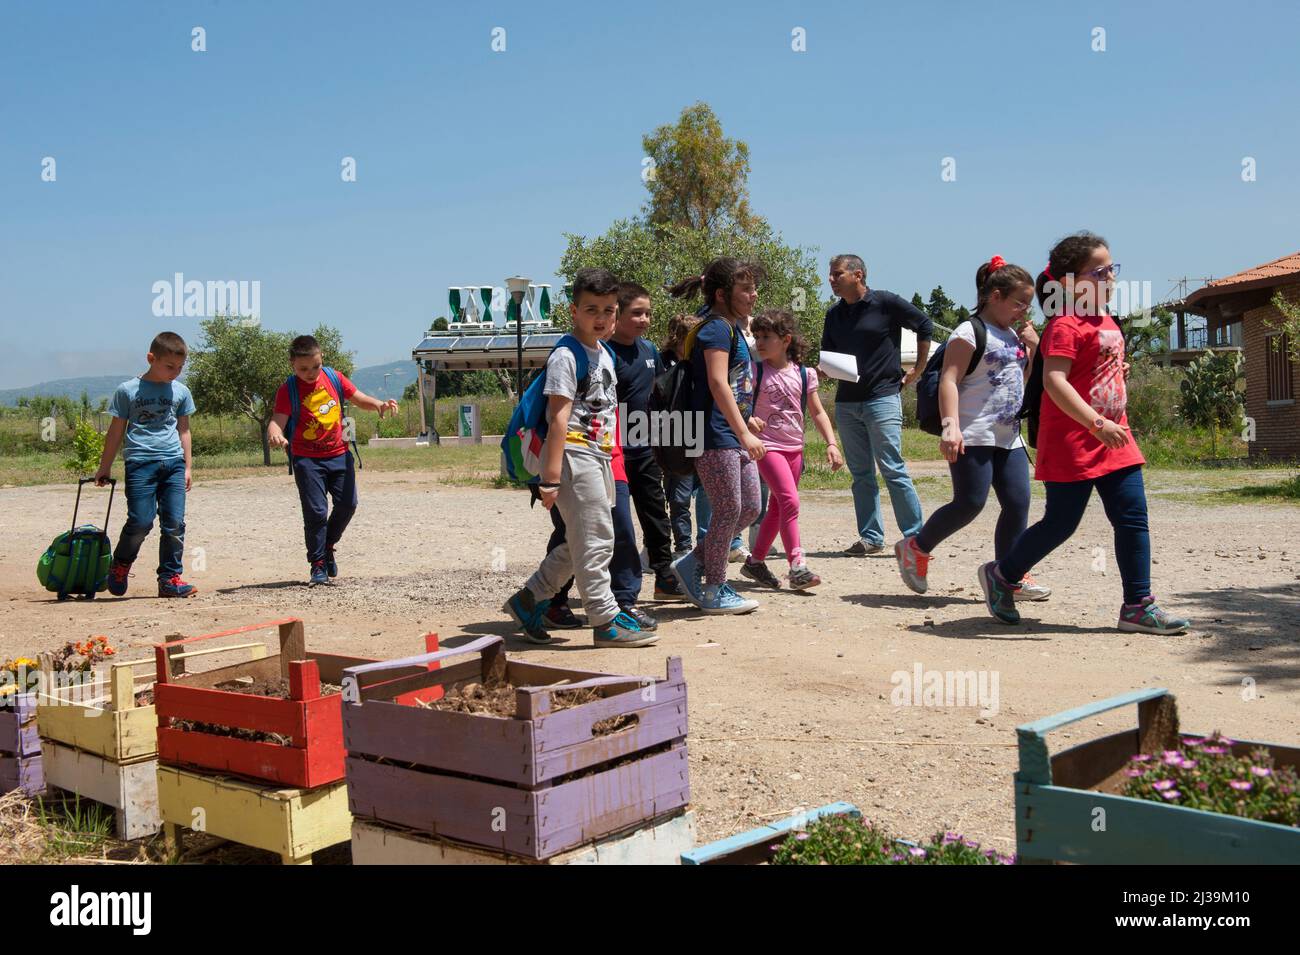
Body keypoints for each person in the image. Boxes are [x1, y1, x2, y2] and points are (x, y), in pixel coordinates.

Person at [977, 232, 1190, 634]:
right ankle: (1003, 575)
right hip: (1074, 437)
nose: (1111, 277)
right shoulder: (1064, 324)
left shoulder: (1107, 318)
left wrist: (1115, 372)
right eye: (1101, 271)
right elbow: (1055, 380)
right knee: (1061, 522)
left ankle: (1137, 605)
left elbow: (1090, 367)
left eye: (1113, 269)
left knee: (1132, 517)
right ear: (1072, 282)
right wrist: (1096, 421)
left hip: (1115, 438)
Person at [503, 267, 658, 647]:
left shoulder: (603, 352)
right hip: (574, 453)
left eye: (608, 310)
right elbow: (558, 416)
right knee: (599, 540)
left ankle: (528, 600)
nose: (601, 318)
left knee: (581, 541)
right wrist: (550, 478)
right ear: (574, 311)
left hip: (600, 455)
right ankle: (605, 621)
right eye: (592, 309)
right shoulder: (566, 355)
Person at [894, 256, 1049, 600]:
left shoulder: (1014, 334)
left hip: (1009, 435)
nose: (1024, 310)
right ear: (995, 296)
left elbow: (1019, 381)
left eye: (1028, 303)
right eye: (1018, 302)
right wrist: (951, 427)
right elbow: (950, 380)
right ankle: (916, 547)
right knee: (970, 503)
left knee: (1018, 503)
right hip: (973, 432)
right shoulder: (969, 332)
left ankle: (1008, 575)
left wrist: (1034, 349)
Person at [667, 258, 765, 614]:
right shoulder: (716, 329)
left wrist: (746, 422)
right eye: (746, 289)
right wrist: (743, 429)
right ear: (723, 294)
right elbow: (717, 382)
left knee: (750, 507)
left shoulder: (731, 327)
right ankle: (714, 590)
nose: (754, 295)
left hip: (733, 432)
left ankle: (693, 563)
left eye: (754, 288)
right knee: (728, 509)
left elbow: (733, 387)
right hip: (712, 435)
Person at [266, 335, 398, 585]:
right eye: (303, 369)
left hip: (339, 455)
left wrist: (379, 404)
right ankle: (317, 564)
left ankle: (327, 544)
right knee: (316, 511)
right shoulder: (288, 389)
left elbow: (358, 397)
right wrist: (275, 435)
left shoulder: (334, 377)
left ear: (321, 358)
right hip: (307, 459)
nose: (310, 373)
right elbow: (277, 420)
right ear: (292, 364)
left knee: (348, 504)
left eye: (315, 366)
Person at [822, 254, 932, 555]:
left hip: (883, 398)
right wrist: (823, 369)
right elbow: (828, 355)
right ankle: (871, 538)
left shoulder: (885, 302)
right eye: (830, 274)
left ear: (858, 275)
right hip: (847, 403)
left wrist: (918, 369)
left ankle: (915, 538)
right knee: (861, 475)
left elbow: (924, 325)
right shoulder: (834, 315)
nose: (831, 279)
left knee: (893, 469)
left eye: (837, 274)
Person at [739, 309, 844, 591]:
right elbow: (737, 401)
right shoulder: (755, 370)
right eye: (756, 336)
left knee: (777, 506)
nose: (759, 342)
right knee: (790, 502)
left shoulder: (804, 373)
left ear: (785, 340)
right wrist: (748, 419)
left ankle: (755, 561)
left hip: (794, 448)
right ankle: (797, 566)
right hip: (767, 447)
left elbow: (818, 412)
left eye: (766, 337)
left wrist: (831, 444)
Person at [96, 331, 198, 598]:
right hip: (140, 464)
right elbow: (116, 432)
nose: (175, 372)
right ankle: (120, 564)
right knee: (141, 521)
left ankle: (169, 579)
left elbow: (184, 431)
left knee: (174, 523)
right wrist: (104, 466)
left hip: (174, 463)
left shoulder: (181, 392)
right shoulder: (127, 391)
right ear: (151, 358)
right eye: (169, 366)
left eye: (179, 367)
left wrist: (187, 467)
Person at [608, 282, 683, 603]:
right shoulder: (604, 352)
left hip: (647, 449)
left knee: (656, 516)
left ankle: (664, 578)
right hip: (611, 454)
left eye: (648, 313)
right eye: (636, 313)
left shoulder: (650, 351)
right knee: (617, 525)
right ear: (618, 314)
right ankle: (611, 590)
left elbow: (662, 397)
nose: (644, 319)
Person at [661, 314, 705, 560]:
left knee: (706, 495)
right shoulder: (662, 363)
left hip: (700, 433)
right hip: (674, 438)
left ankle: (705, 545)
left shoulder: (702, 363)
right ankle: (683, 548)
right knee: (679, 497)